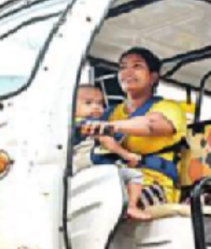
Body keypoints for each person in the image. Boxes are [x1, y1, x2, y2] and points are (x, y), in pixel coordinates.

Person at [79, 47, 187, 209]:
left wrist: (112, 127)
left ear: (153, 77)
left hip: (153, 184)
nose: (128, 72)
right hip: (109, 180)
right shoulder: (108, 113)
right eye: (123, 67)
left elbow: (152, 125)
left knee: (112, 205)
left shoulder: (168, 107)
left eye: (137, 66)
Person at [73, 84, 152, 221]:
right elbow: (106, 140)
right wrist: (126, 155)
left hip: (86, 163)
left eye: (100, 103)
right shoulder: (86, 123)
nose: (96, 107)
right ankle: (131, 205)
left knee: (132, 175)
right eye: (88, 103)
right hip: (85, 159)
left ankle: (130, 206)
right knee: (126, 173)